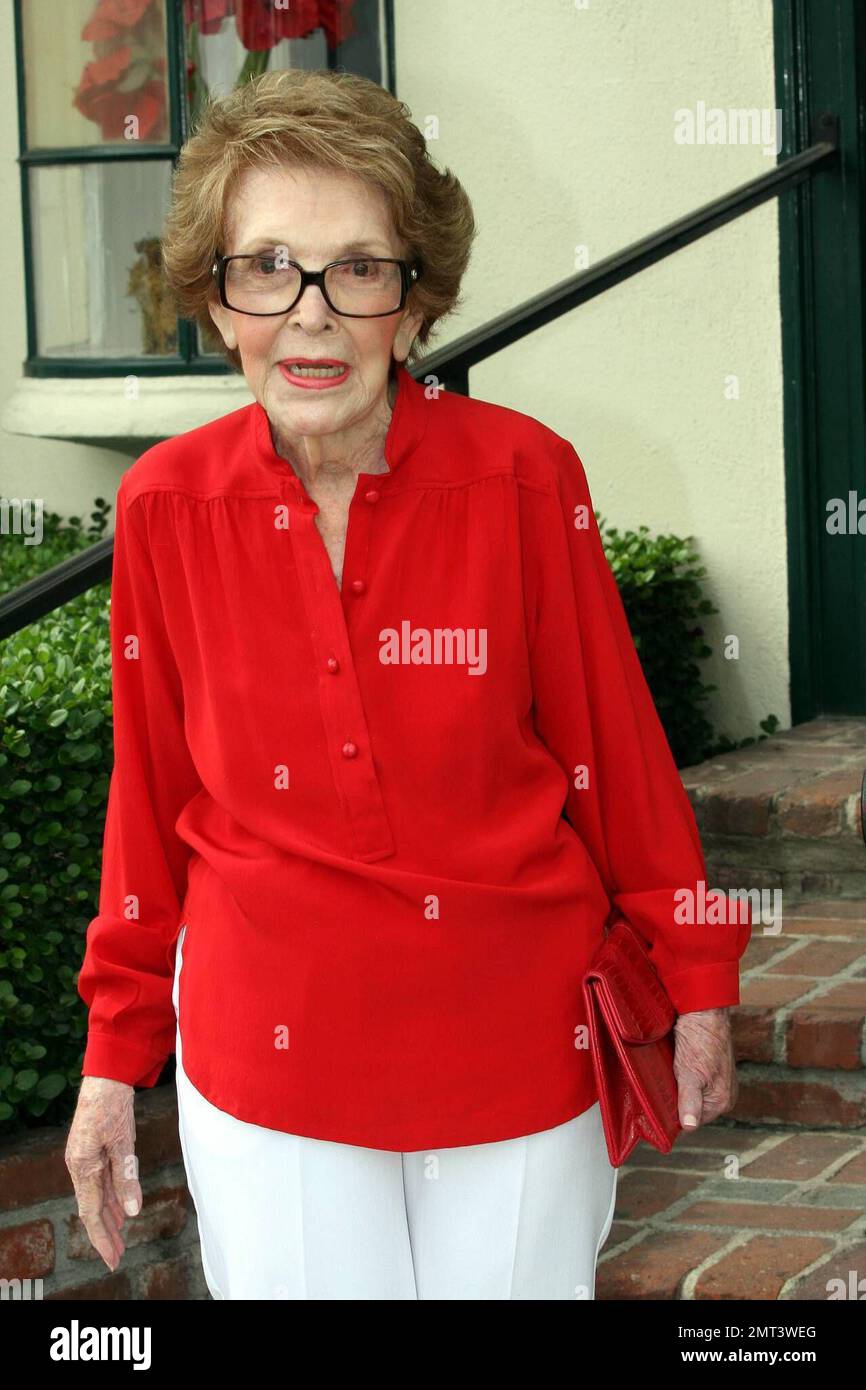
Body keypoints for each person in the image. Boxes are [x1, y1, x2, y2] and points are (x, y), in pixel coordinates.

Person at [65, 69, 748, 1301]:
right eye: (266, 267)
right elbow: (148, 803)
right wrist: (114, 1055)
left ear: (413, 296)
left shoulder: (526, 479)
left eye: (357, 270)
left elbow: (619, 761)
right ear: (215, 300)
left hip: (517, 1045)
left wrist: (694, 979)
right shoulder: (163, 507)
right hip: (266, 1059)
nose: (310, 315)